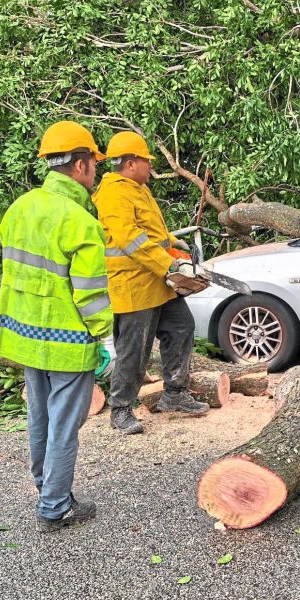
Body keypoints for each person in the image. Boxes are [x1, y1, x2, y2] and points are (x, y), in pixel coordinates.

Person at [0, 121, 115, 532]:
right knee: (64, 427)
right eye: (93, 163)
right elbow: (91, 294)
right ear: (79, 165)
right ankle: (55, 507)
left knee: (39, 419)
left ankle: (48, 489)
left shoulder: (19, 208)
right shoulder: (81, 222)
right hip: (67, 341)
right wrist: (104, 338)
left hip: (24, 337)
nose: (94, 172)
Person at [93, 131, 208, 434]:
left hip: (158, 282)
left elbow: (152, 232)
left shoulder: (136, 188)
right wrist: (168, 264)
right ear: (131, 163)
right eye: (147, 162)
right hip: (133, 285)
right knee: (134, 348)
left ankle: (174, 394)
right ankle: (120, 409)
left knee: (182, 326)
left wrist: (175, 244)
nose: (151, 168)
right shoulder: (113, 193)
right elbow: (130, 239)